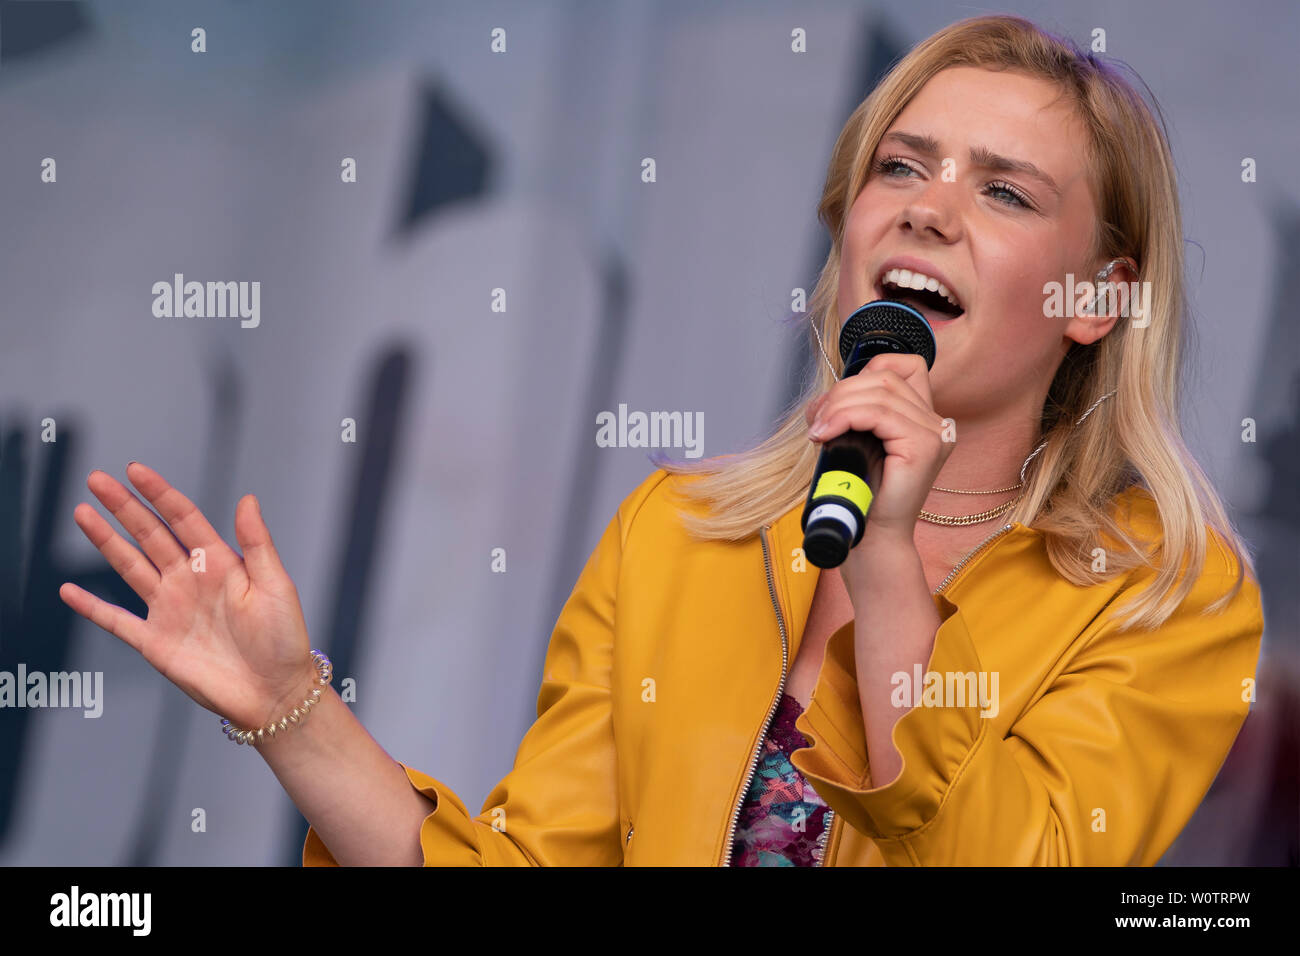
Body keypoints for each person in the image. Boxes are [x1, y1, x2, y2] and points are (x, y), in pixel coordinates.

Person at [59, 14, 1264, 866]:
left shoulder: (1163, 591)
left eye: (1004, 192)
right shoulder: (680, 535)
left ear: (1097, 298)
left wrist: (887, 569)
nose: (929, 206)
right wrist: (289, 703)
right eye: (900, 166)